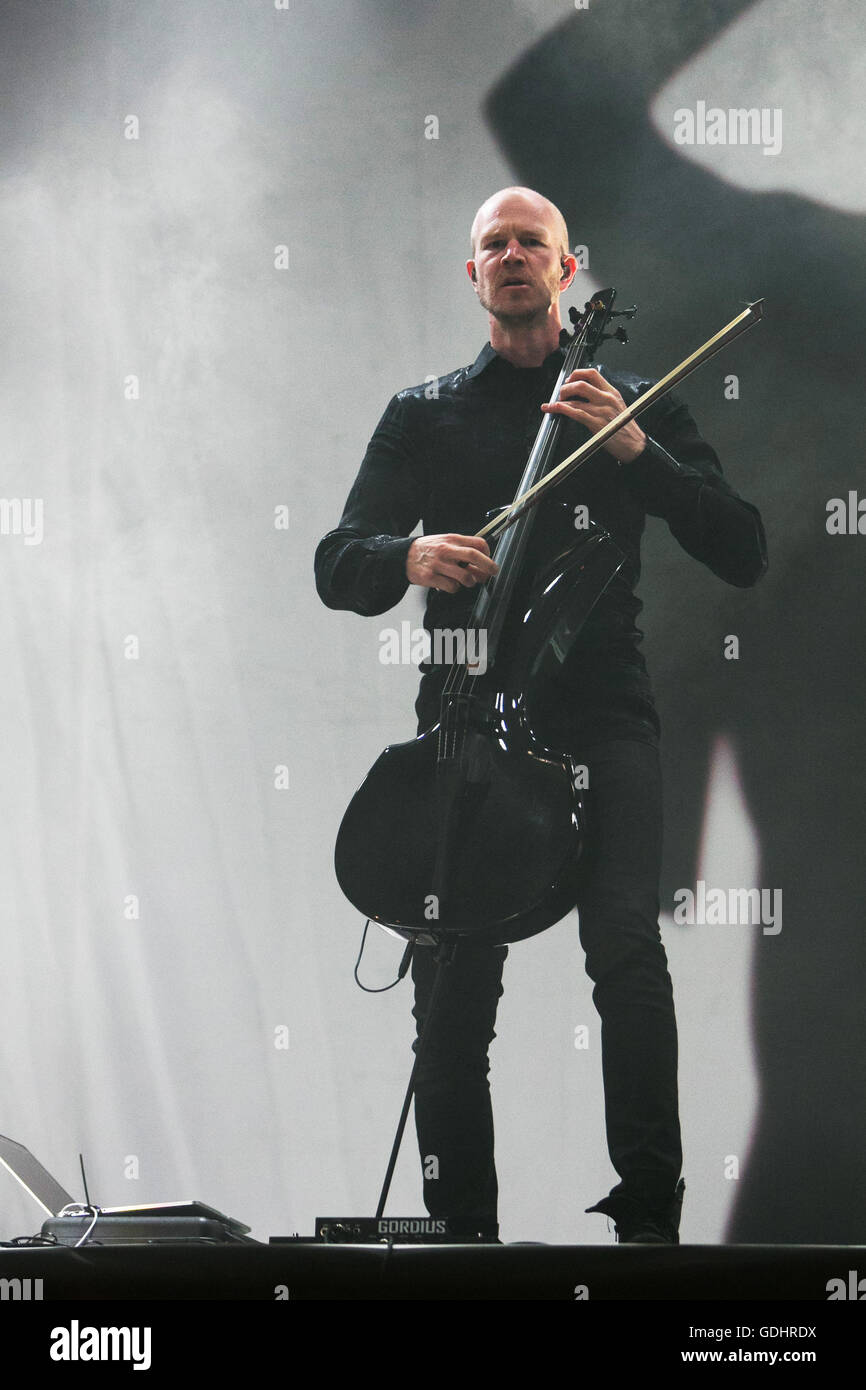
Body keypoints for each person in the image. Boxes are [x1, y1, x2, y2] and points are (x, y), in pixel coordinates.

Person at [314, 186, 767, 1244]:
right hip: (466, 725)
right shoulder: (421, 413)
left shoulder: (632, 399)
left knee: (622, 948)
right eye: (493, 244)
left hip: (603, 719)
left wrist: (632, 451)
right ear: (472, 275)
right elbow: (340, 560)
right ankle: (459, 1237)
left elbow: (740, 546)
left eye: (533, 243)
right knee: (452, 996)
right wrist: (407, 556)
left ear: (568, 272)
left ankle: (647, 1220)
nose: (512, 255)